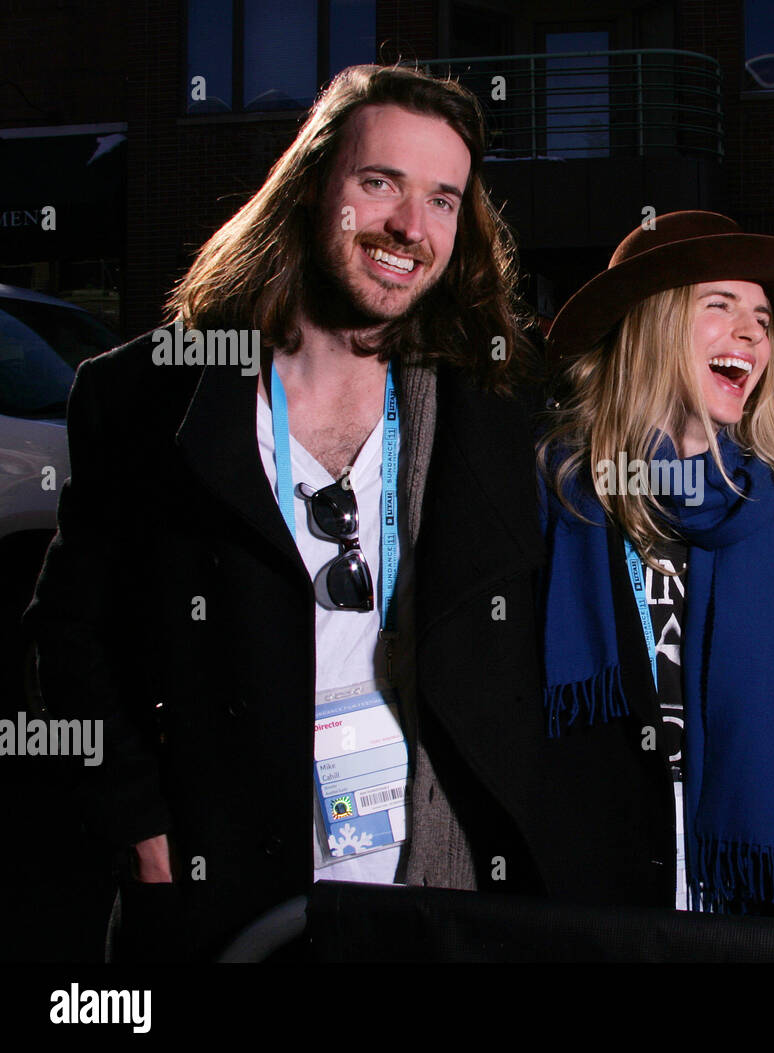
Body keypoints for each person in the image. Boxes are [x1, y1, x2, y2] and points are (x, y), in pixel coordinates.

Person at [25, 64, 577, 960]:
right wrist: (137, 822)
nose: (411, 225)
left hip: (437, 892)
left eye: (443, 199)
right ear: (312, 185)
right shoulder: (146, 397)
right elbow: (68, 638)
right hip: (228, 890)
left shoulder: (495, 404)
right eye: (380, 183)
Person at [540, 211, 774, 912]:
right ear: (655, 325)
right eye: (720, 306)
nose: (751, 332)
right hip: (600, 855)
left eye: (762, 318)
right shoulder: (562, 489)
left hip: (736, 868)